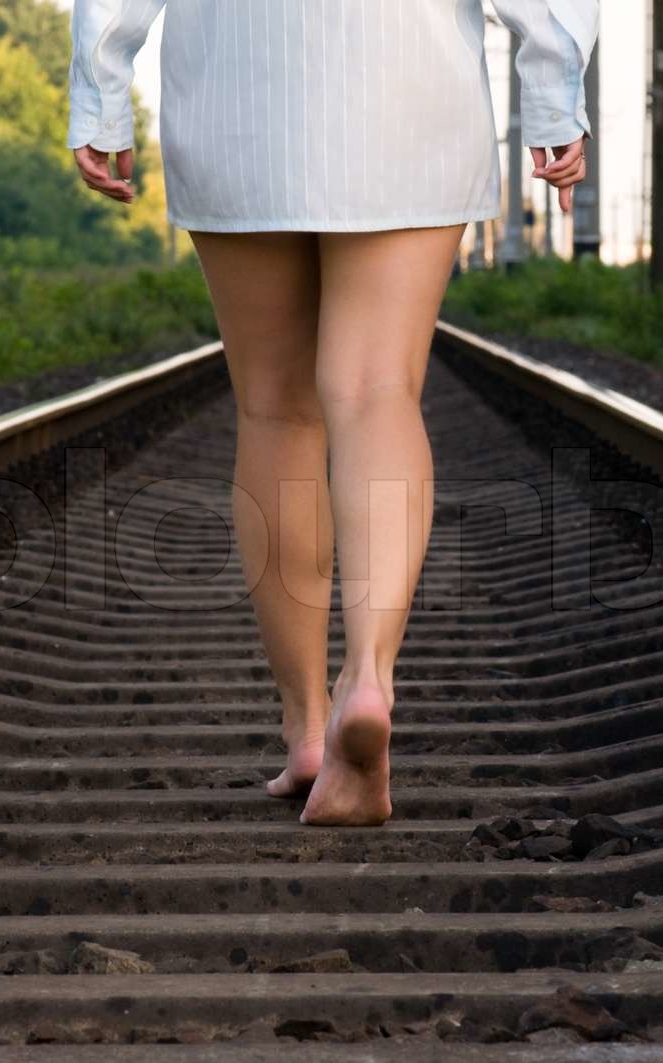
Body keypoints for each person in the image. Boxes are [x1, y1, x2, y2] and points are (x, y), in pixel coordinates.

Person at [69, 0, 597, 826]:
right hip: (410, 85)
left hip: (239, 89)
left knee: (275, 409)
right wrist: (555, 91)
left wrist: (102, 93)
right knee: (377, 389)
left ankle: (308, 731)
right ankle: (370, 680)